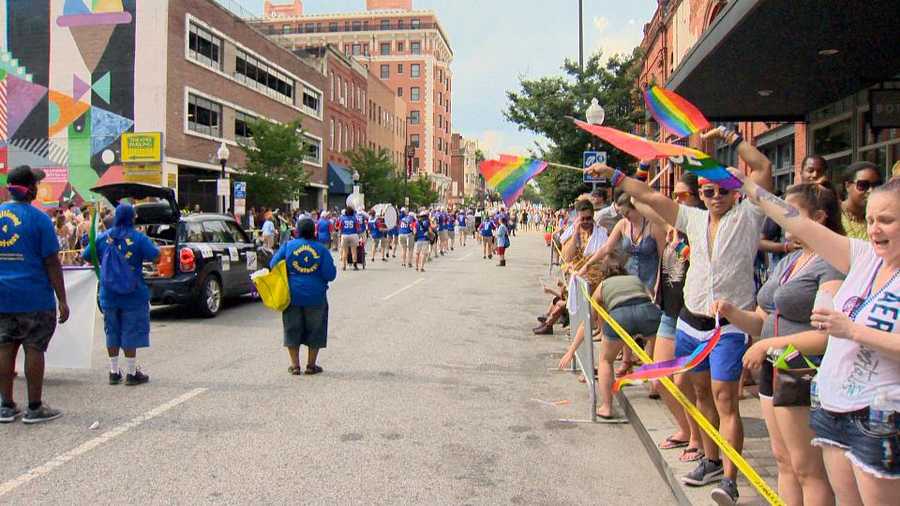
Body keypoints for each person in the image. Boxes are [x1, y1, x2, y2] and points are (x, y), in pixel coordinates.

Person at [586, 125, 774, 504]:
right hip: (691, 319)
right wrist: (614, 175)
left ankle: (732, 478)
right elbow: (650, 195)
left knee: (725, 398)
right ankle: (710, 458)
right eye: (708, 191)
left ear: (735, 192)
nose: (715, 197)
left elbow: (764, 167)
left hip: (728, 326)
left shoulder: (749, 216)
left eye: (722, 191)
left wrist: (734, 142)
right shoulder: (692, 218)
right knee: (698, 391)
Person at [730, 169, 900, 504]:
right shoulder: (865, 257)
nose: (874, 229)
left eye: (887, 220)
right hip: (833, 406)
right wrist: (748, 187)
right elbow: (800, 223)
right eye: (869, 220)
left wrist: (851, 331)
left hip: (878, 417)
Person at [715, 184, 845, 506]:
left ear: (818, 218)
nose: (782, 222)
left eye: (791, 214)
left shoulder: (830, 264)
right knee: (783, 459)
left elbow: (827, 334)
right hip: (776, 367)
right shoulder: (790, 261)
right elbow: (761, 319)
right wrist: (731, 312)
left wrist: (768, 344)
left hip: (803, 371)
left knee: (807, 467)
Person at [0, 166, 69, 424]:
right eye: (37, 184)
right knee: (33, 348)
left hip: (2, 297)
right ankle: (34, 407)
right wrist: (62, 299)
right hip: (34, 298)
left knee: (4, 348)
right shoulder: (39, 219)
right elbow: (52, 262)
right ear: (30, 189)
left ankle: (5, 406)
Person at [82, 203, 160, 386]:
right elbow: (156, 256)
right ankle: (132, 373)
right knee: (130, 330)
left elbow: (87, 255)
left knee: (112, 330)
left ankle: (114, 371)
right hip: (133, 292)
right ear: (132, 218)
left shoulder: (103, 237)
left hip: (108, 293)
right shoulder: (139, 238)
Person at [270, 218, 336, 376]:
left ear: (297, 231)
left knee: (292, 329)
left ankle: (295, 365)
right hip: (315, 297)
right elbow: (330, 274)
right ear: (314, 230)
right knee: (316, 330)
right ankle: (311, 365)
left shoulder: (288, 246)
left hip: (292, 295)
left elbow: (273, 264)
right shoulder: (321, 250)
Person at [841, 161, 883, 240]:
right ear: (847, 186)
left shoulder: (880, 216)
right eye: (863, 185)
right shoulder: (832, 214)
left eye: (876, 185)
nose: (871, 190)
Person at [338, 207, 360, 271]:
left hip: (344, 235)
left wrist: (340, 234)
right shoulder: (354, 218)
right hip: (353, 234)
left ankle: (344, 266)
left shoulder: (342, 219)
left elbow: (340, 228)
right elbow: (357, 228)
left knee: (345, 251)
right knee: (354, 251)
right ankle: (355, 265)